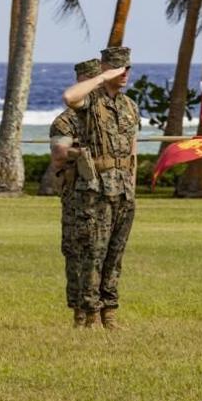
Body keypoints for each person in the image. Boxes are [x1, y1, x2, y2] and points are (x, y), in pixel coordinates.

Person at [62, 47, 139, 330]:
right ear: (106, 69)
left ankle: (110, 313)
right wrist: (102, 78)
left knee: (115, 255)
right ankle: (88, 313)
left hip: (124, 190)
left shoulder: (130, 106)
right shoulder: (91, 101)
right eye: (118, 69)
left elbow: (133, 149)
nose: (124, 74)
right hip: (96, 190)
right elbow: (69, 97)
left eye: (127, 68)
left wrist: (133, 185)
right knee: (93, 253)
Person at [49, 58, 100, 327]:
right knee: (77, 252)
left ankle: (102, 311)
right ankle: (80, 312)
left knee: (102, 252)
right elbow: (59, 154)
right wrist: (81, 154)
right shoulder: (66, 120)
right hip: (77, 195)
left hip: (106, 194)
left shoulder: (105, 117)